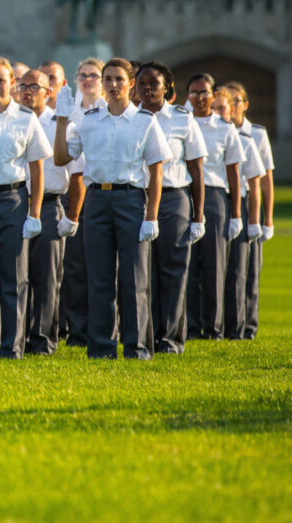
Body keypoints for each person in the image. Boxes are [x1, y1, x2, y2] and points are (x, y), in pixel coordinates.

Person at [54, 58, 169, 360]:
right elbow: (61, 158)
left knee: (134, 278)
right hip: (97, 200)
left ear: (131, 83)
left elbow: (156, 171)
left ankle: (136, 347)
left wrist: (152, 216)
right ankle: (102, 348)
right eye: (108, 79)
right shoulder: (89, 120)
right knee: (99, 277)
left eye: (119, 79)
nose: (113, 85)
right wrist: (62, 120)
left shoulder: (145, 121)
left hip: (131, 199)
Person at [0, 59, 51, 359]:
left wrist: (34, 213)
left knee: (14, 277)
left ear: (12, 83)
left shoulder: (25, 118)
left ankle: (12, 345)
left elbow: (37, 168)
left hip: (13, 198)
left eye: (0, 81)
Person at [135, 62, 206, 354]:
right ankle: (144, 336)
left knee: (173, 268)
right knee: (142, 271)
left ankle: (170, 338)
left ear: (167, 88)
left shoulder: (182, 119)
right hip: (137, 198)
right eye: (141, 83)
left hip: (173, 197)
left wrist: (198, 216)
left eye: (154, 83)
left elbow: (196, 170)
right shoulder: (129, 118)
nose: (147, 88)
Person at [18, 69, 84, 355]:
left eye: (35, 86)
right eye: (23, 86)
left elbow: (77, 174)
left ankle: (43, 339)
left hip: (48, 204)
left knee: (46, 276)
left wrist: (72, 216)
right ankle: (16, 338)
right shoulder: (13, 120)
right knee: (16, 275)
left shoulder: (62, 124)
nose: (28, 91)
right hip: (16, 202)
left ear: (49, 92)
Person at [184, 75, 243, 340]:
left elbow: (233, 173)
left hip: (215, 195)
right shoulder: (183, 122)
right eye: (194, 92)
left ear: (213, 95)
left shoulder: (224, 128)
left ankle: (213, 327)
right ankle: (190, 325)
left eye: (204, 92)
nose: (199, 98)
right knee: (188, 265)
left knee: (214, 264)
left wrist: (236, 214)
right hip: (186, 193)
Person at [57, 57, 106, 346]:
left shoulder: (108, 110)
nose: (87, 80)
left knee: (101, 266)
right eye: (82, 75)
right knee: (74, 266)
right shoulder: (69, 110)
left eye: (93, 75)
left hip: (100, 191)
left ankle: (103, 326)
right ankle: (78, 330)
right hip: (72, 192)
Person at [225, 81, 274, 339]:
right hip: (223, 200)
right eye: (227, 100)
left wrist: (267, 219)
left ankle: (248, 326)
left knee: (250, 269)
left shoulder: (256, 133)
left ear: (244, 104)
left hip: (247, 202)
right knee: (226, 268)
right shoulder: (217, 129)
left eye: (236, 100)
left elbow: (265, 179)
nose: (232, 105)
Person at [214, 86, 264, 340]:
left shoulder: (246, 139)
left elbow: (256, 183)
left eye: (222, 109)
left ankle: (238, 328)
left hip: (239, 203)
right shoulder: (206, 136)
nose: (218, 114)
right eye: (213, 109)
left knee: (237, 270)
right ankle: (215, 326)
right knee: (213, 270)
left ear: (232, 110)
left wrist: (255, 221)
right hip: (216, 201)